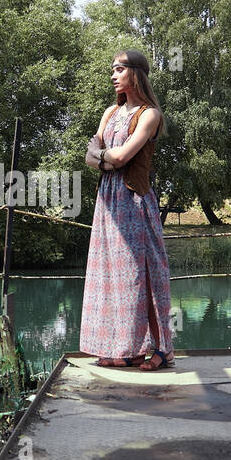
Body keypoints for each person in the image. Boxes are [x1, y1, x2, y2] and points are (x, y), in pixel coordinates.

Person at [79, 50, 175, 370]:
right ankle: (130, 349)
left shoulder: (150, 115)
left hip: (133, 200)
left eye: (119, 69)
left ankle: (163, 348)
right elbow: (90, 156)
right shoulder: (110, 112)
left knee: (141, 274)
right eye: (113, 70)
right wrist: (107, 157)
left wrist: (105, 158)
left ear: (135, 74)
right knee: (116, 277)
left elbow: (118, 158)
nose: (113, 76)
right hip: (107, 201)